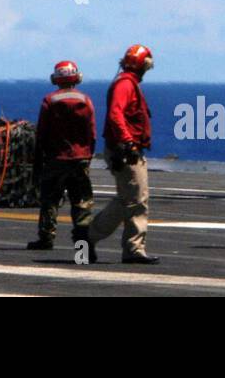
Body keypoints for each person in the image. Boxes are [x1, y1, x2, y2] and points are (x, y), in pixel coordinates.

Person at [88, 44, 158, 265]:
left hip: (125, 148)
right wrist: (128, 142)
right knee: (135, 201)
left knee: (129, 200)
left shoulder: (126, 83)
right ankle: (128, 247)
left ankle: (94, 237)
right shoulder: (126, 85)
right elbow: (116, 114)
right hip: (126, 150)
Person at [27, 60, 96, 253]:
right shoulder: (86, 100)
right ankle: (83, 243)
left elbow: (42, 133)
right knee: (81, 203)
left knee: (50, 200)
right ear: (77, 77)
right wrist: (87, 156)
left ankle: (46, 237)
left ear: (56, 78)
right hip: (80, 159)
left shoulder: (50, 100)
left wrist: (39, 158)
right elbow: (91, 133)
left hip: (56, 159)